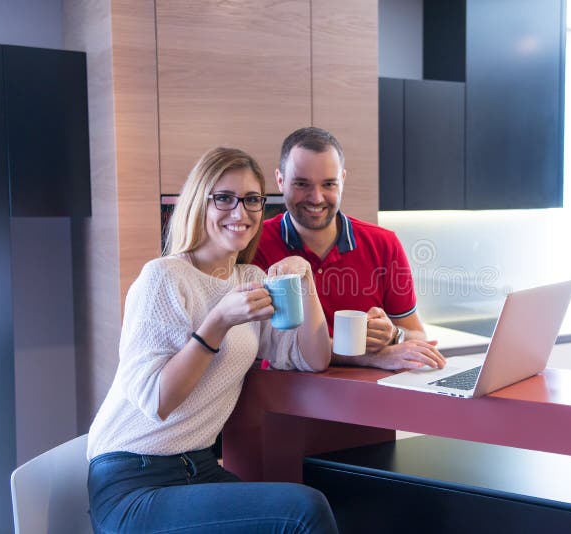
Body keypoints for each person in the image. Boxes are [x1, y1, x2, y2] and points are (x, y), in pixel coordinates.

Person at [86, 147, 338, 533]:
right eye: (224, 198)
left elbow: (312, 358)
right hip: (133, 479)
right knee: (304, 510)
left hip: (198, 467)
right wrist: (218, 321)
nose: (241, 212)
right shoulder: (164, 278)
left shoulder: (249, 280)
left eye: (252, 199)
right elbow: (157, 401)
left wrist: (305, 282)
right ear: (198, 203)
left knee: (303, 506)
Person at [254, 127, 445, 371]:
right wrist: (369, 356)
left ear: (342, 180)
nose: (316, 197)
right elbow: (268, 345)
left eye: (329, 184)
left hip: (367, 398)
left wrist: (393, 335)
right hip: (283, 397)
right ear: (280, 180)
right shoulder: (255, 244)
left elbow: (418, 336)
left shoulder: (383, 243)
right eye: (302, 184)